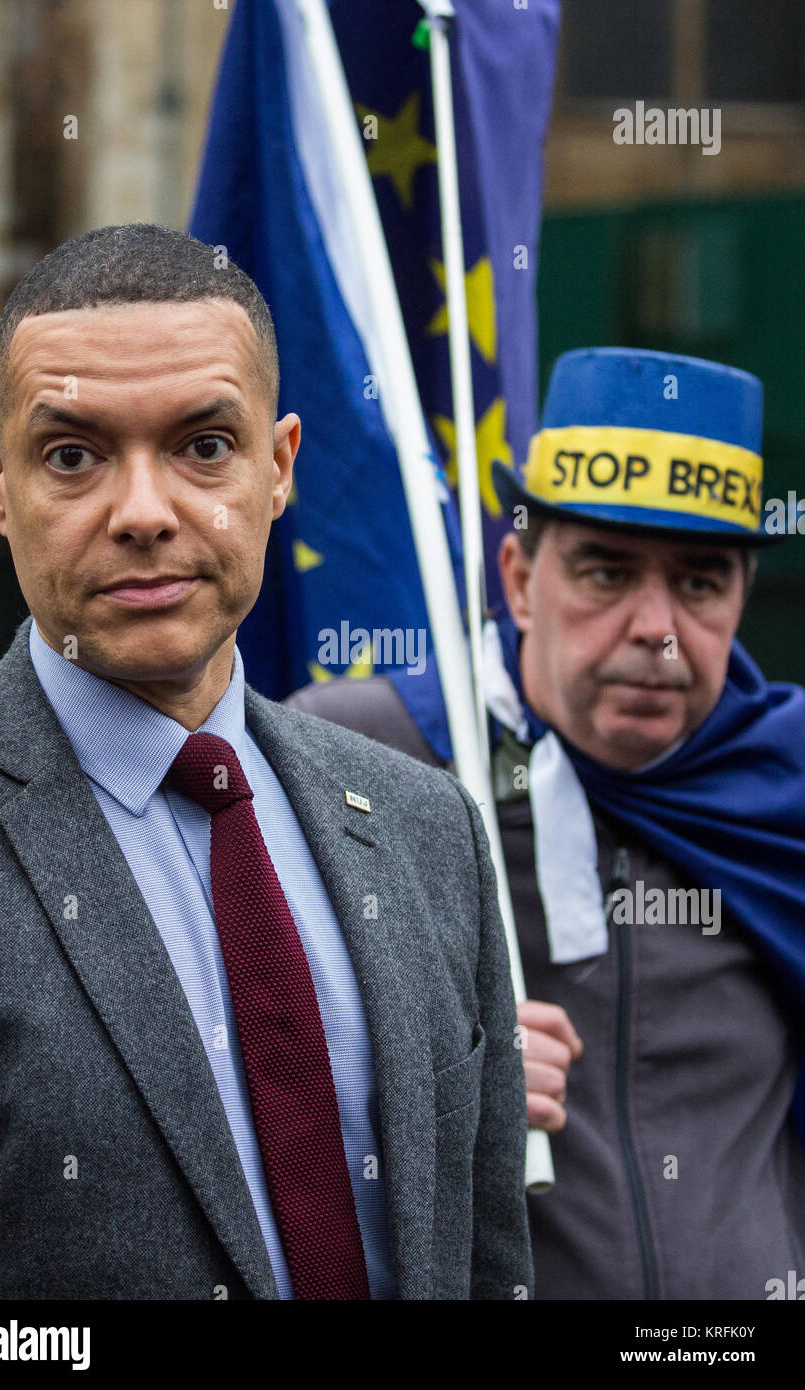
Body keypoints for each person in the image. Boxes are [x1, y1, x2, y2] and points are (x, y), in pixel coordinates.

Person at [0, 222, 532, 1302]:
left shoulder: (424, 826)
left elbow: (486, 1262)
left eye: (203, 445)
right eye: (71, 454)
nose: (144, 513)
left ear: (278, 466)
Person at [288, 347, 805, 1300]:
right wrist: (423, 1073)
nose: (656, 630)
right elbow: (235, 1067)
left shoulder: (784, 783)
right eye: (607, 573)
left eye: (699, 583)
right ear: (520, 580)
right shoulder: (352, 756)